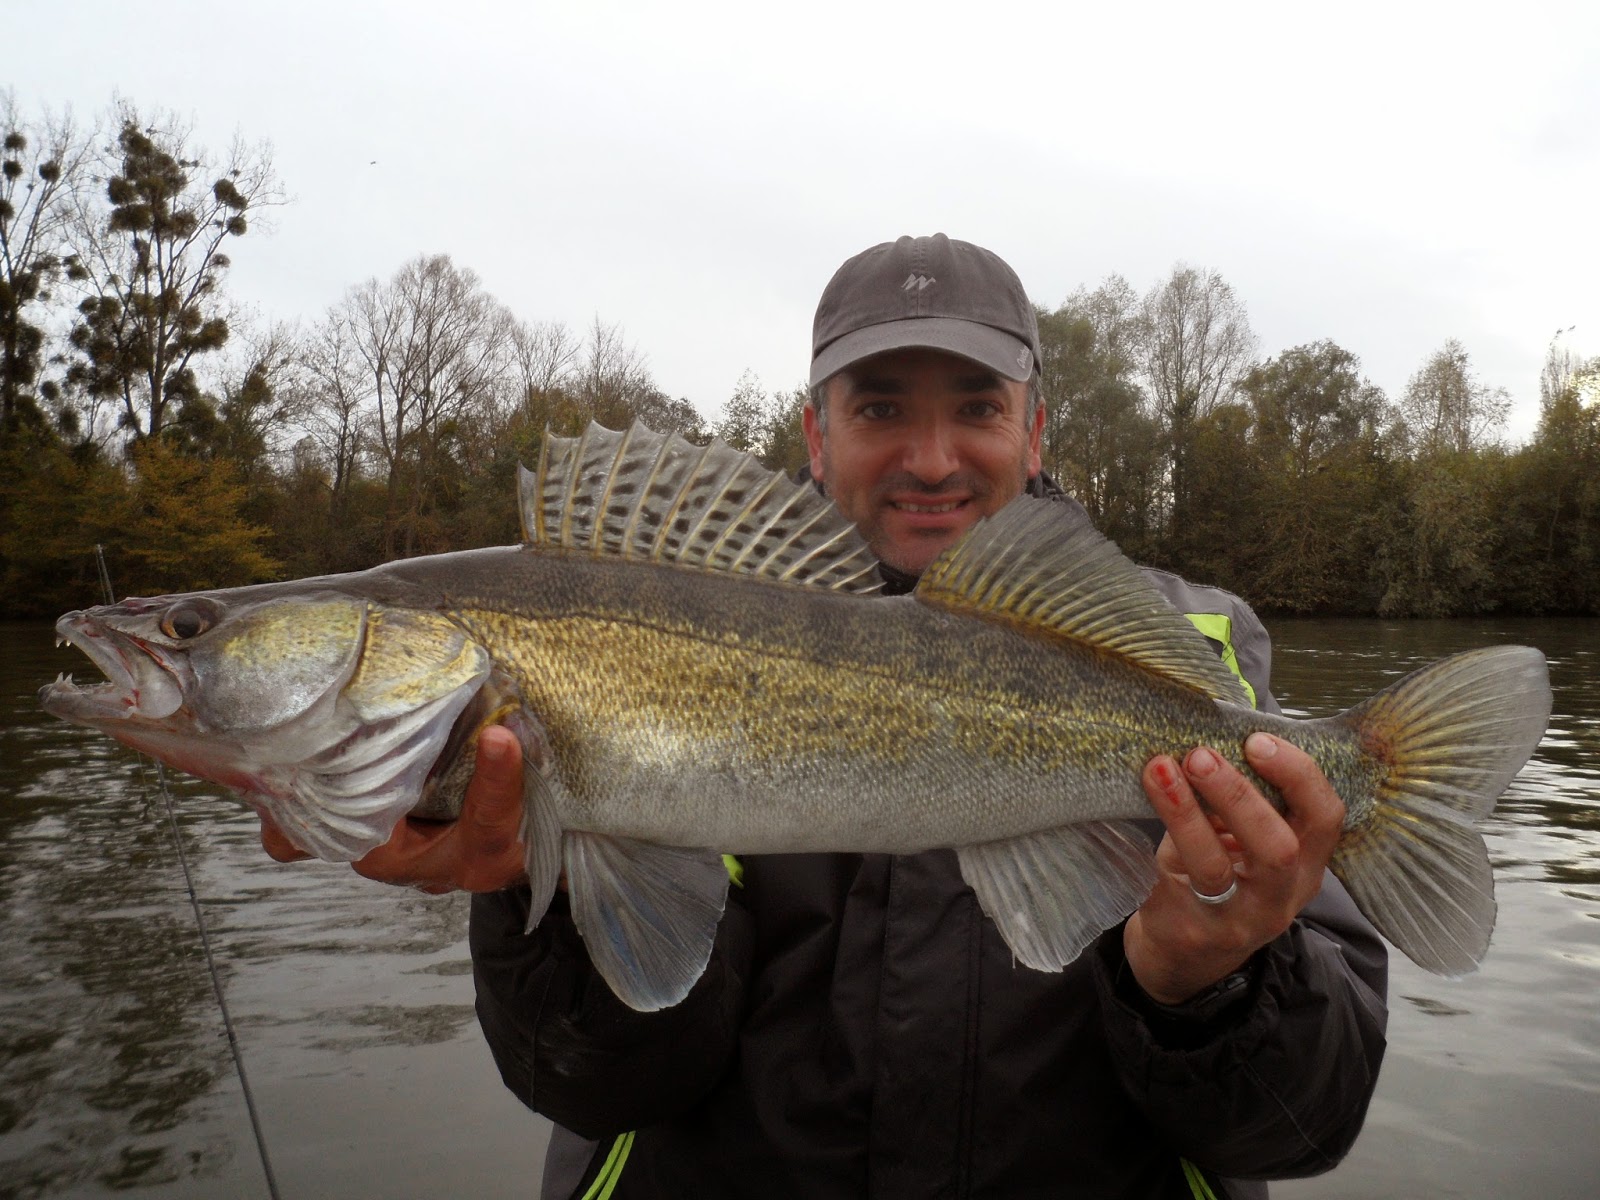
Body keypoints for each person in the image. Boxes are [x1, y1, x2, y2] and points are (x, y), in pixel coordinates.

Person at [262, 234, 1388, 1198]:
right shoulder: (674, 612)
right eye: (882, 408)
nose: (931, 457)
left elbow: (1300, 1128)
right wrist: (533, 891)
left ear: (1036, 433)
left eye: (978, 409)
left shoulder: (1195, 655)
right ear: (815, 433)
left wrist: (1210, 984)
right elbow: (605, 1084)